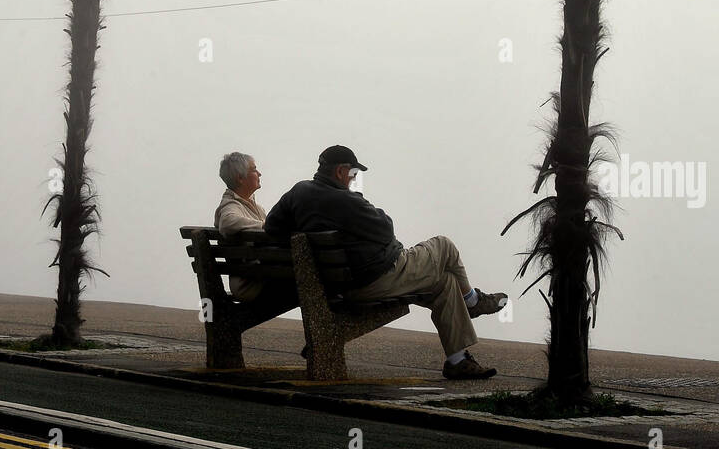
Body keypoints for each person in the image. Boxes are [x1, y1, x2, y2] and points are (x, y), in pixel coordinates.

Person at [264, 144, 507, 379]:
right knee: (444, 246)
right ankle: (473, 301)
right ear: (340, 171)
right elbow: (386, 228)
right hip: (374, 280)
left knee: (445, 282)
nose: (353, 179)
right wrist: (358, 202)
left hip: (337, 285)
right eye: (353, 174)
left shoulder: (299, 192)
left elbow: (271, 226)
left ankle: (458, 361)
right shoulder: (346, 202)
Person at [214, 152, 267, 301]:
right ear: (240, 178)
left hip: (261, 276)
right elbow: (227, 222)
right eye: (254, 170)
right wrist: (263, 225)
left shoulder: (256, 208)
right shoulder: (230, 206)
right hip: (249, 285)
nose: (259, 173)